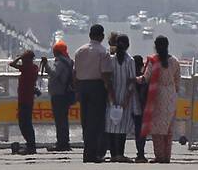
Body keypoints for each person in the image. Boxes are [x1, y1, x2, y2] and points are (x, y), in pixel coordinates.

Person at [74, 24, 114, 162]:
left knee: (85, 121)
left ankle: (88, 152)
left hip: (82, 86)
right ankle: (94, 153)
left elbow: (75, 73)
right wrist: (110, 91)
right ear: (101, 36)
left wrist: (77, 90)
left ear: (90, 35)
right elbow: (105, 74)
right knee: (96, 122)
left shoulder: (80, 51)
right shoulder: (103, 52)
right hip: (97, 87)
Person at [138, 35, 181, 162]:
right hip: (171, 95)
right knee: (168, 128)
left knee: (157, 128)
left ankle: (159, 156)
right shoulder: (175, 61)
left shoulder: (154, 61)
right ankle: (167, 157)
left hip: (157, 95)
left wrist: (132, 79)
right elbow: (178, 82)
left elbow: (145, 78)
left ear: (156, 46)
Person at [105, 34, 137, 161]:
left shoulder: (111, 60)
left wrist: (112, 97)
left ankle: (114, 154)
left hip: (112, 97)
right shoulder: (130, 61)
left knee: (112, 125)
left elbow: (108, 81)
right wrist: (126, 99)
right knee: (122, 126)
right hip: (125, 96)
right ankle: (119, 153)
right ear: (128, 46)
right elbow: (132, 81)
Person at [10, 48, 40, 155]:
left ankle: (31, 146)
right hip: (27, 99)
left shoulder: (27, 68)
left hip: (25, 99)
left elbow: (12, 64)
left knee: (24, 124)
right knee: (26, 123)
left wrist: (19, 57)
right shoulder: (34, 68)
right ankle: (30, 144)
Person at [46, 41, 75, 152]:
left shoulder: (60, 62)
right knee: (63, 120)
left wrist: (46, 66)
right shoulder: (68, 61)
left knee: (60, 120)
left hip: (59, 94)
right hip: (65, 93)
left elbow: (54, 74)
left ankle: (62, 143)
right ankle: (64, 142)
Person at [131, 54, 149, 162]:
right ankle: (140, 153)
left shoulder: (132, 76)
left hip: (131, 107)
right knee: (141, 132)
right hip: (142, 107)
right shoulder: (142, 78)